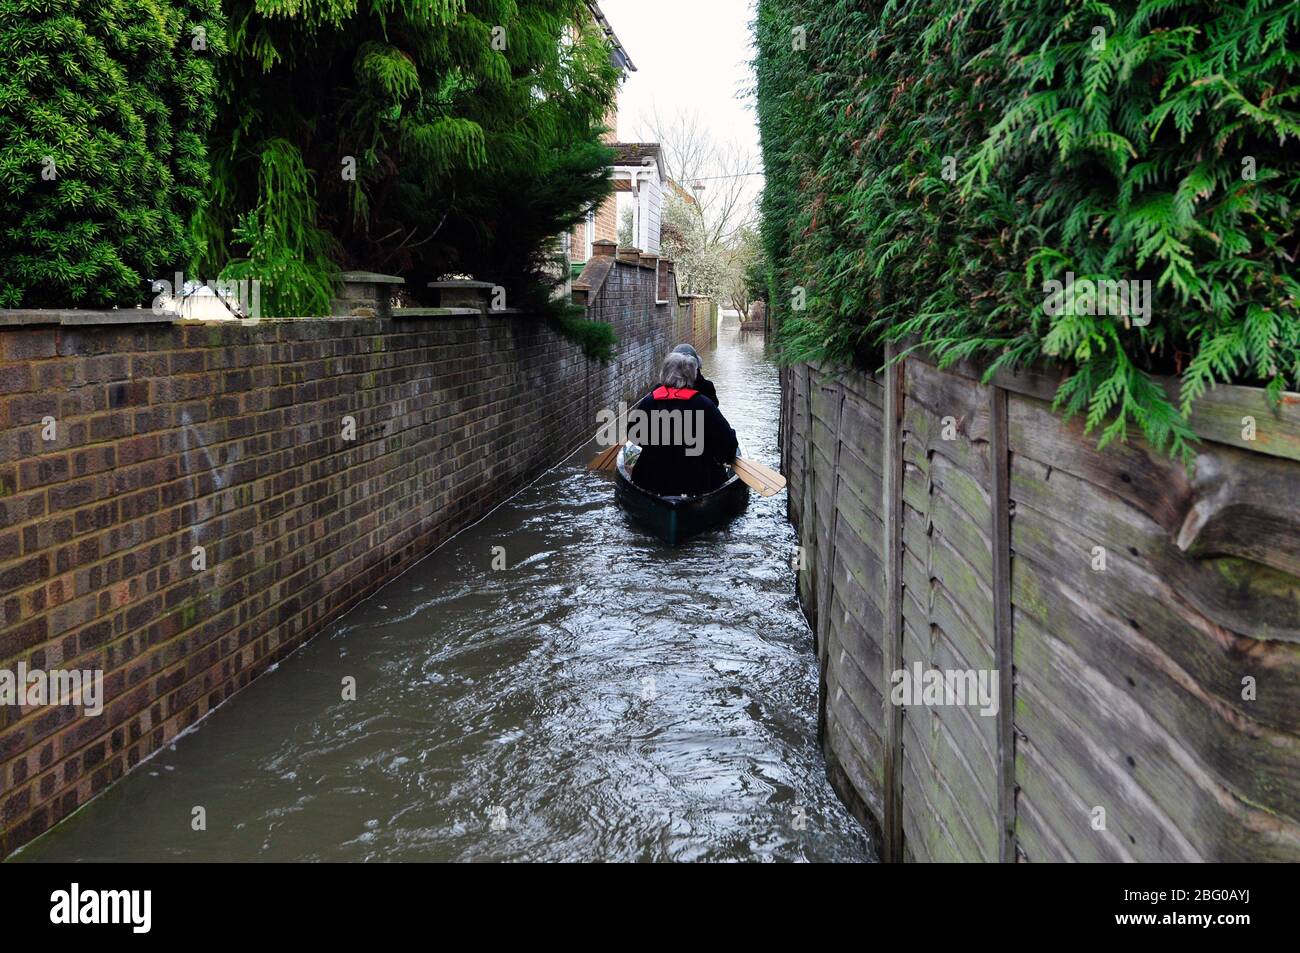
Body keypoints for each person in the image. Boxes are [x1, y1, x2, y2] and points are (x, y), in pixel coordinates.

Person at [630, 352, 738, 496]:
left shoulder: (649, 402)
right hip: (697, 482)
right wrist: (720, 457)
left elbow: (634, 436)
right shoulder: (704, 404)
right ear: (691, 375)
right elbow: (728, 443)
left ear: (664, 374)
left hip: (652, 479)